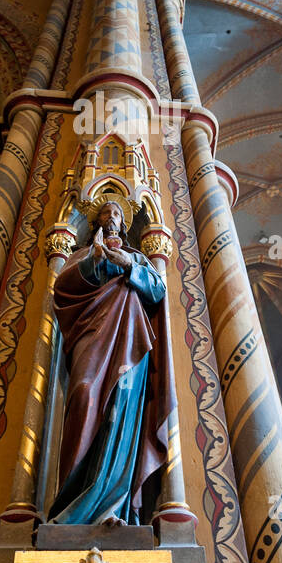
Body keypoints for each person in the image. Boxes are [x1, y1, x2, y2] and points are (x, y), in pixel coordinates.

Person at [48, 198, 175, 526]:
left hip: (131, 343)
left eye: (117, 213)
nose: (112, 218)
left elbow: (158, 291)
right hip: (92, 334)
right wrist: (96, 261)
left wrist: (129, 267)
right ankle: (73, 507)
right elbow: (61, 288)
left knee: (122, 412)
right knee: (84, 393)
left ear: (124, 222)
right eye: (105, 212)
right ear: (96, 222)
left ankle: (113, 509)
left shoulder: (136, 258)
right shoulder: (84, 254)